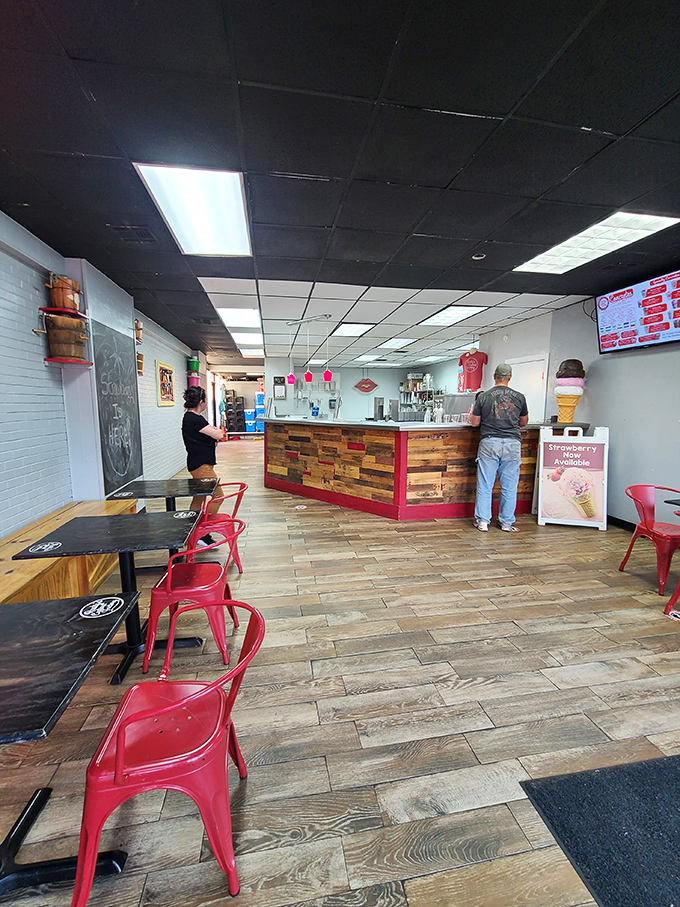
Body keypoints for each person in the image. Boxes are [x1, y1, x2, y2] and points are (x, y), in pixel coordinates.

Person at [469, 363, 528, 532]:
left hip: (489, 442)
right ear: (510, 377)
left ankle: (482, 522)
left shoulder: (484, 397)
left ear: (494, 376)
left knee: (485, 484)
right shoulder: (519, 397)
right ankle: (507, 522)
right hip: (512, 443)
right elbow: (523, 422)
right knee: (510, 486)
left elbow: (475, 423)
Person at [182, 386, 225, 546]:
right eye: (205, 400)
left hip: (198, 463)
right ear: (201, 402)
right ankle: (202, 532)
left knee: (199, 498)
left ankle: (193, 530)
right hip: (201, 466)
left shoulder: (191, 417)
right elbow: (219, 434)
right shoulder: (194, 419)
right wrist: (216, 433)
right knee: (218, 496)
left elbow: (213, 432)